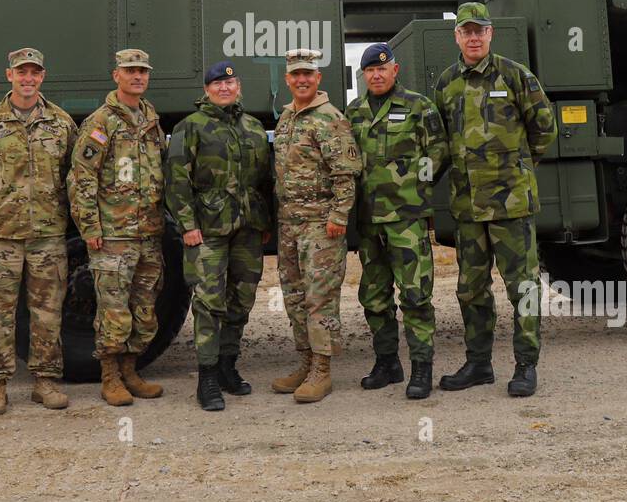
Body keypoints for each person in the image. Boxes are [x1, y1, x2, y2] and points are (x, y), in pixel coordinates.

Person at [432, 2, 557, 397]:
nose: (472, 37)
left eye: (479, 30)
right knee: (470, 289)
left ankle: (525, 366)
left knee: (522, 286)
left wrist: (519, 168)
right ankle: (478, 364)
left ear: (490, 34)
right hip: (468, 206)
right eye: (466, 31)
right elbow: (439, 141)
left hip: (511, 204)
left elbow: (544, 128)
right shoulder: (447, 83)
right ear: (457, 36)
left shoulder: (515, 76)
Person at [0, 47, 78, 416]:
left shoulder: (60, 123)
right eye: (21, 72)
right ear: (9, 76)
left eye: (34, 73)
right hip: (1, 236)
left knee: (47, 312)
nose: (28, 78)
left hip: (46, 234)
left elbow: (73, 172)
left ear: (42, 76)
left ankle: (45, 381)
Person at [166, 61, 272, 412]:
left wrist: (265, 219)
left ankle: (228, 366)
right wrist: (187, 225)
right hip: (207, 230)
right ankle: (207, 377)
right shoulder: (190, 127)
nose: (224, 89)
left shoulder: (253, 127)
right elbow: (176, 182)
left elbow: (265, 179)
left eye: (230, 83)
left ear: (238, 87)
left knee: (241, 300)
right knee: (210, 303)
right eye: (217, 84)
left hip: (248, 228)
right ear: (207, 89)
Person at [345, 43, 449, 399]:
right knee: (374, 297)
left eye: (382, 68)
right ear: (364, 75)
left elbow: (439, 151)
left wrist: (416, 184)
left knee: (416, 295)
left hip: (406, 219)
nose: (376, 74)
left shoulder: (418, 106)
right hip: (369, 222)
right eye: (369, 70)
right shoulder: (354, 111)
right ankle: (387, 363)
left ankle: (422, 368)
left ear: (395, 70)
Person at [68, 48, 167, 406]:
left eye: (142, 71)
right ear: (116, 76)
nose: (137, 76)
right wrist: (90, 226)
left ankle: (130, 371)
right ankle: (110, 376)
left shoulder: (151, 120)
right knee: (113, 308)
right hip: (113, 235)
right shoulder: (101, 122)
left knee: (144, 308)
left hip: (148, 233)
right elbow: (81, 179)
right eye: (130, 71)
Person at [271, 48, 361, 403]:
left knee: (319, 298)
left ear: (318, 78)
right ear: (288, 79)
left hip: (321, 226)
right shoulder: (287, 119)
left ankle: (322, 371)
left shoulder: (330, 118)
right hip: (290, 224)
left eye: (308, 74)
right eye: (296, 74)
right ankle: (306, 362)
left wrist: (339, 217)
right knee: (294, 296)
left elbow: (346, 173)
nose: (302, 79)